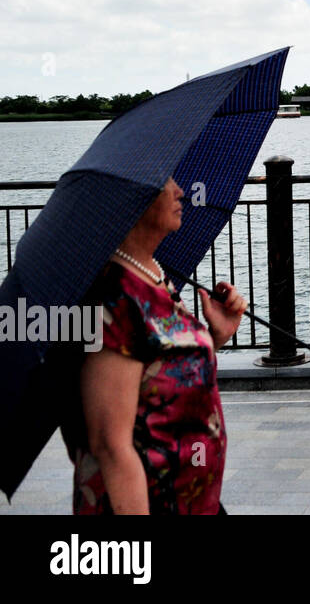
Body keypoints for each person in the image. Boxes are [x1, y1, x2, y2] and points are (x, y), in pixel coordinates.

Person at [62, 177, 246, 514]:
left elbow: (159, 376)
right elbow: (110, 445)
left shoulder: (153, 272)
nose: (181, 192)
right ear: (134, 198)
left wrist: (213, 337)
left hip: (194, 500)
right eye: (167, 184)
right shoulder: (112, 296)